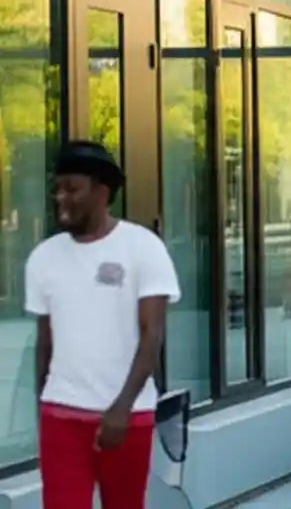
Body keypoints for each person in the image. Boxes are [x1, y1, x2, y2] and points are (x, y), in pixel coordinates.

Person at [27, 141, 181, 509]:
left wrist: (121, 408)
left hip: (128, 415)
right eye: (57, 189)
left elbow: (151, 336)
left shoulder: (143, 247)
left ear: (102, 192)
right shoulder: (43, 258)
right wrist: (42, 410)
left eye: (72, 188)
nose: (61, 197)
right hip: (62, 415)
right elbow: (44, 344)